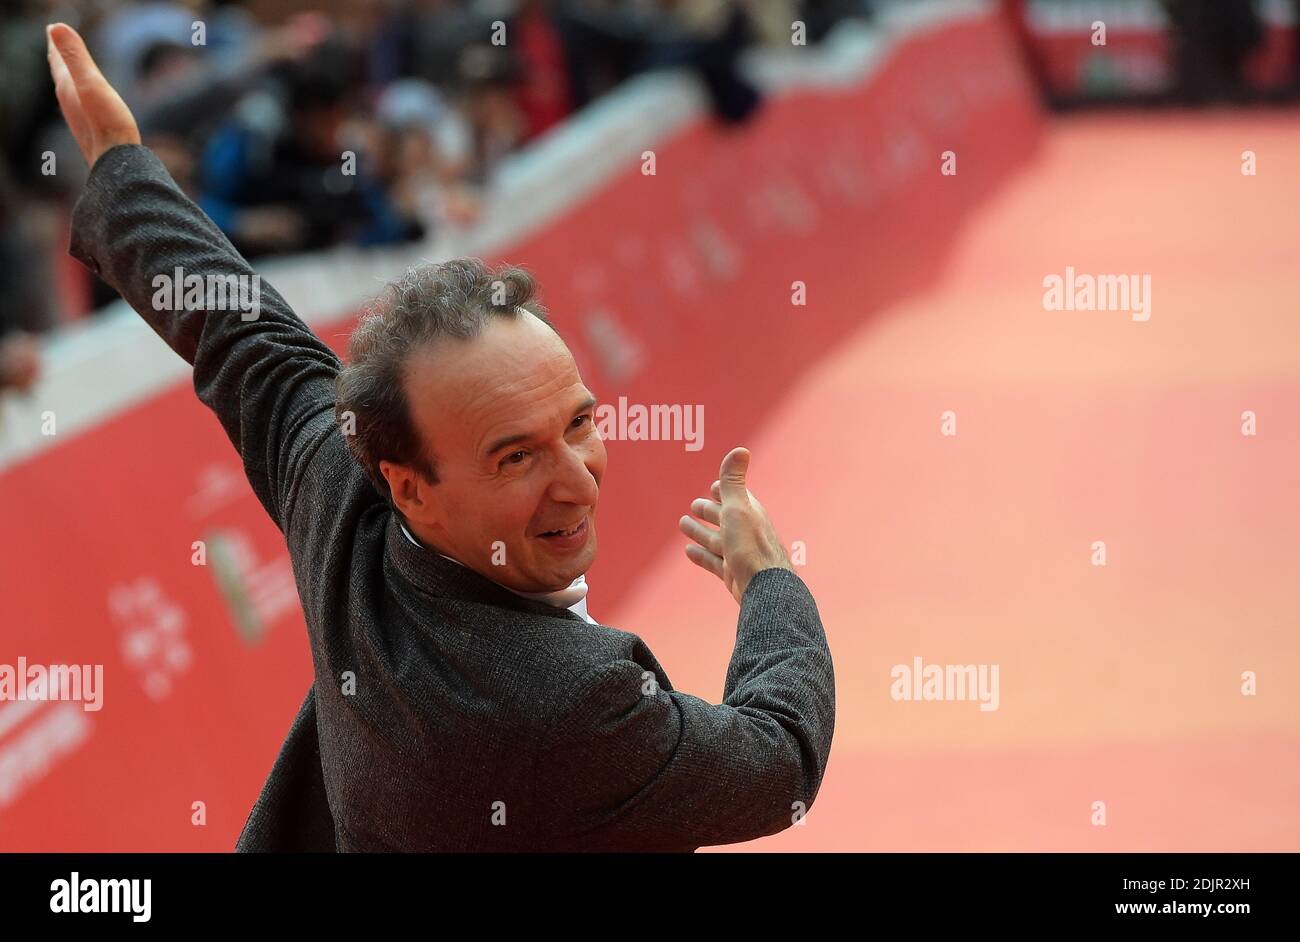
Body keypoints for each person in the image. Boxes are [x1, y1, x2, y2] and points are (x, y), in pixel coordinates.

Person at [46, 21, 835, 852]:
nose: (578, 482)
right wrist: (770, 582)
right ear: (410, 483)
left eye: (578, 424)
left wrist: (120, 165)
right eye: (517, 456)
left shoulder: (343, 495)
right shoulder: (561, 703)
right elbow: (777, 763)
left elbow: (240, 334)